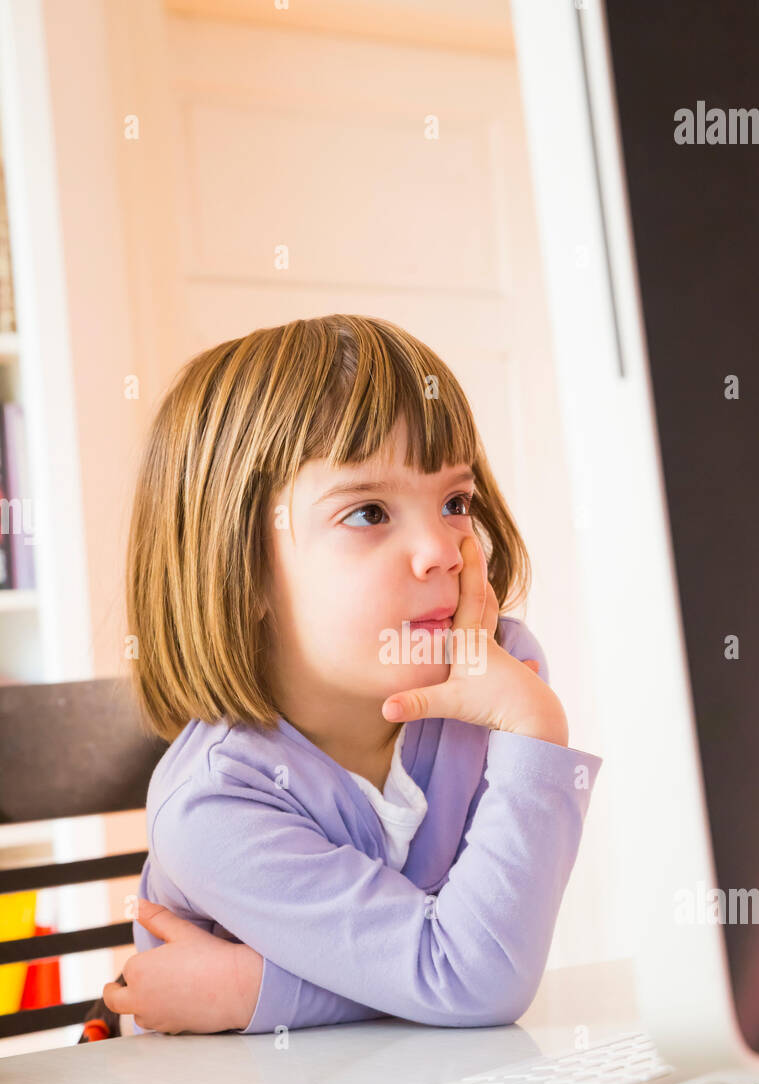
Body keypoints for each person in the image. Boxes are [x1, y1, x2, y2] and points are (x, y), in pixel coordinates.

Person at [98, 314, 602, 1038]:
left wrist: (256, 990)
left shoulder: (494, 681)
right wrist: (538, 731)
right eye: (369, 512)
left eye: (455, 503)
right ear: (241, 569)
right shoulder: (213, 803)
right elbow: (473, 975)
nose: (442, 550)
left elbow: (464, 969)